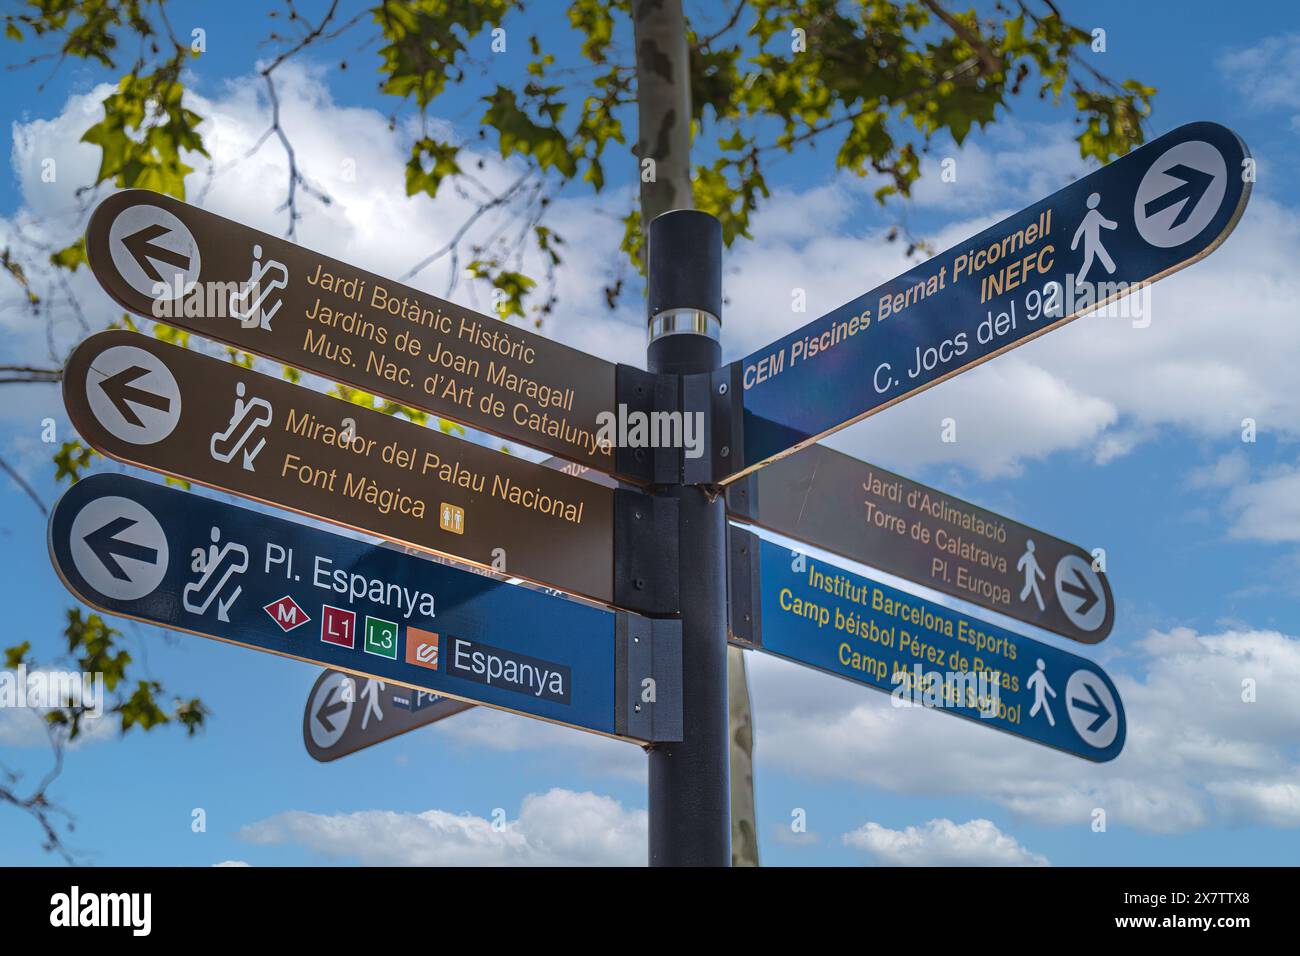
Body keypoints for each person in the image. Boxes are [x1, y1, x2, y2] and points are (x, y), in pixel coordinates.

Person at [1071, 192, 1117, 283]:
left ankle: (1111, 268)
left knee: (1090, 259)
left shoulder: (1091, 214)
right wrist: (1113, 225)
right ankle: (1079, 281)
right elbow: (1103, 223)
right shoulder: (1092, 214)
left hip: (1091, 240)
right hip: (1091, 240)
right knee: (1090, 259)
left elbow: (1079, 231)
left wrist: (1074, 244)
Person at [1018, 539, 1047, 611]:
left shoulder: (1032, 557)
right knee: (1029, 587)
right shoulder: (1028, 555)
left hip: (1033, 576)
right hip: (1029, 575)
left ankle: (1041, 606)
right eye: (1031, 546)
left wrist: (1041, 575)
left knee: (1035, 589)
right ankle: (1022, 597)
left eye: (1033, 546)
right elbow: (1022, 560)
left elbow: (1036, 567)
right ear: (1029, 547)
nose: (1033, 547)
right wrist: (1019, 567)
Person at [1027, 658, 1056, 727]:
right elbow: (1031, 679)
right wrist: (1029, 685)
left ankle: (1052, 722)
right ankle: (1030, 714)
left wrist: (1052, 693)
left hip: (1042, 694)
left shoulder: (1042, 675)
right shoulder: (1037, 673)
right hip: (1038, 693)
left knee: (1045, 706)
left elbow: (1046, 685)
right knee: (1039, 704)